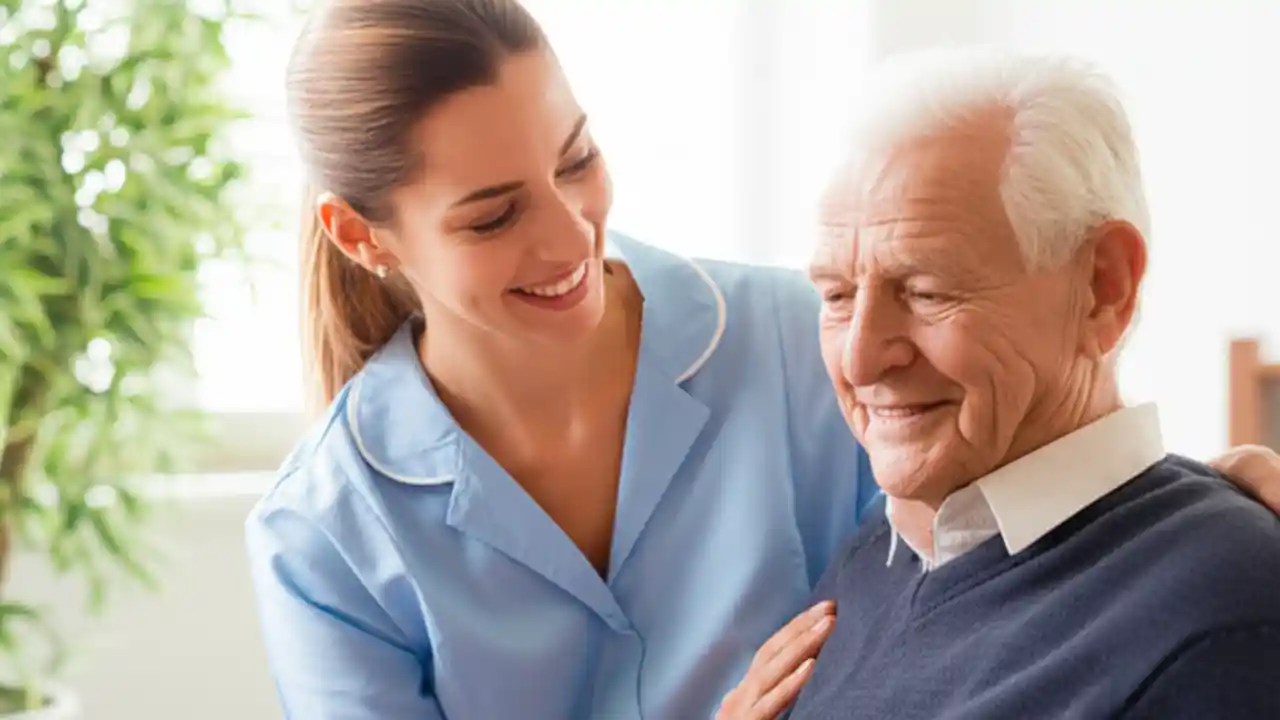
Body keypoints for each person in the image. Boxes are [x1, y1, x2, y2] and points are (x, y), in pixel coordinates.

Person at [245, 3, 1280, 718]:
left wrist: (1194, 496)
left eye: (575, 161)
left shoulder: (805, 337)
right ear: (364, 237)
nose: (569, 237)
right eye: (493, 216)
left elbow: (1012, 462)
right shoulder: (323, 535)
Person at [723, 50, 1280, 720]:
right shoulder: (878, 556)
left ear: (1105, 288)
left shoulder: (1223, 614)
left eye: (925, 291)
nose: (862, 360)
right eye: (838, 296)